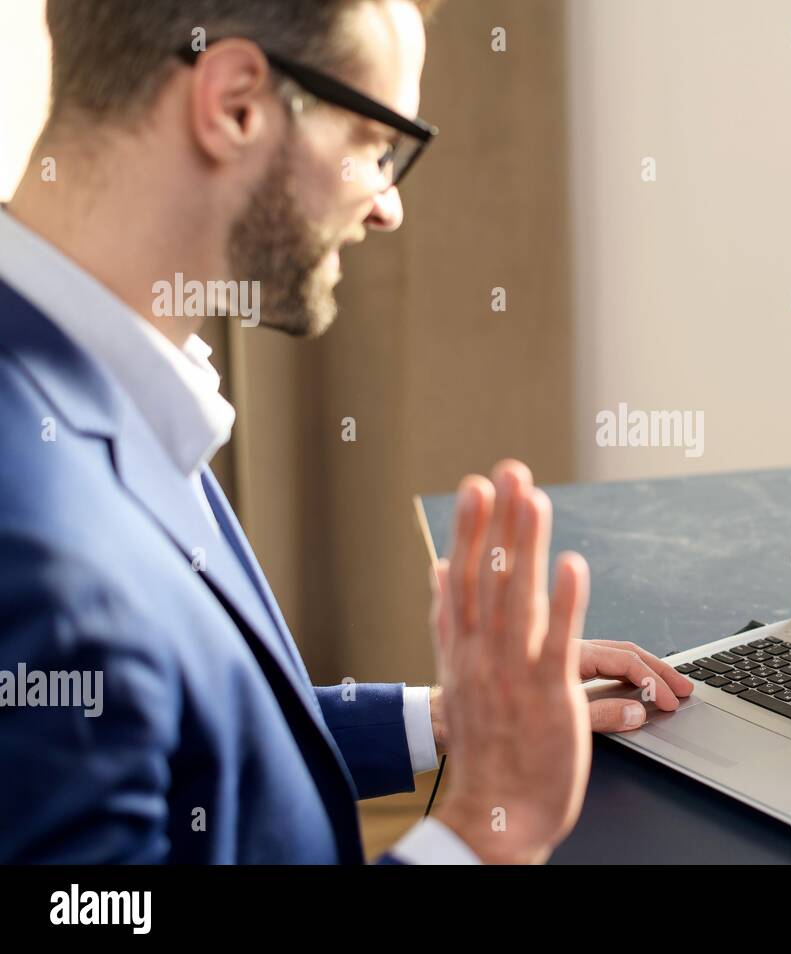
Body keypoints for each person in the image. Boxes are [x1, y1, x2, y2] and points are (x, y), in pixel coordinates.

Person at [0, 0, 690, 864]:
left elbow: (185, 744)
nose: (388, 206)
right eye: (375, 144)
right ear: (235, 104)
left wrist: (446, 721)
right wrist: (482, 829)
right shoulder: (41, 552)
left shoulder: (94, 381)